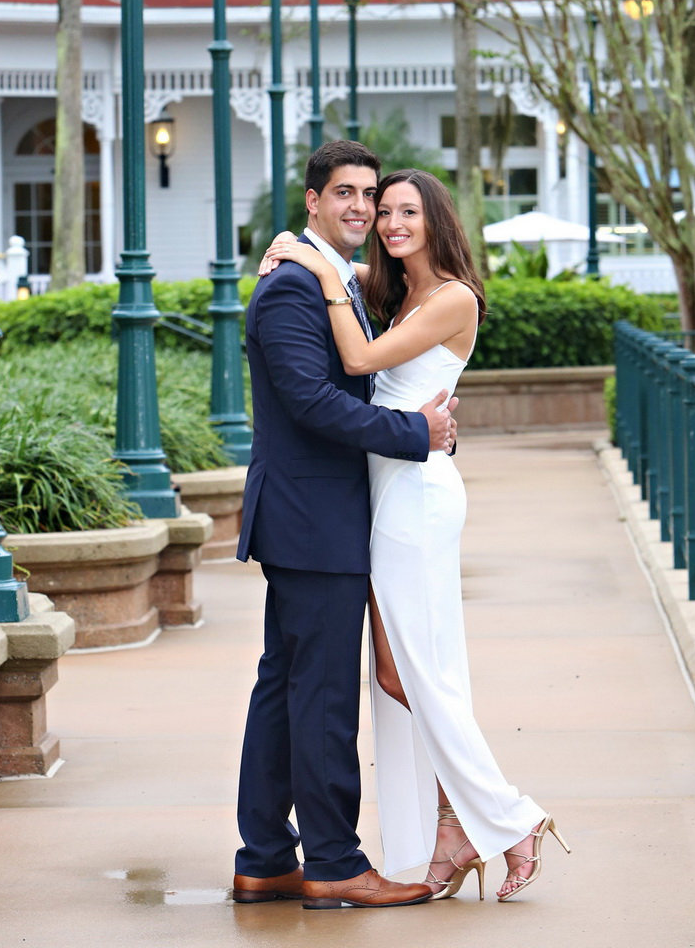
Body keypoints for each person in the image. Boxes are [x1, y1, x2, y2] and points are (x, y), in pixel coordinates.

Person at [265, 167, 570, 903]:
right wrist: (298, 248)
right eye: (381, 208)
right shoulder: (399, 293)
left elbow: (360, 361)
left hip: (416, 499)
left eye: (406, 210)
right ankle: (452, 825)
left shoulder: (454, 297)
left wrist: (315, 267)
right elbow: (355, 307)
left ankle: (507, 818)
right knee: (400, 675)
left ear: (436, 218)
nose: (389, 220)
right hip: (385, 492)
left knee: (420, 672)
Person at [232, 140, 456, 911]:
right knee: (321, 697)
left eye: (371, 194)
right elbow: (312, 403)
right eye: (347, 194)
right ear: (314, 201)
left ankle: (265, 857)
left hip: (315, 515)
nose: (362, 207)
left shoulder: (324, 276)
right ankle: (333, 862)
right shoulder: (294, 288)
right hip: (311, 516)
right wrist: (414, 435)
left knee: (286, 690)